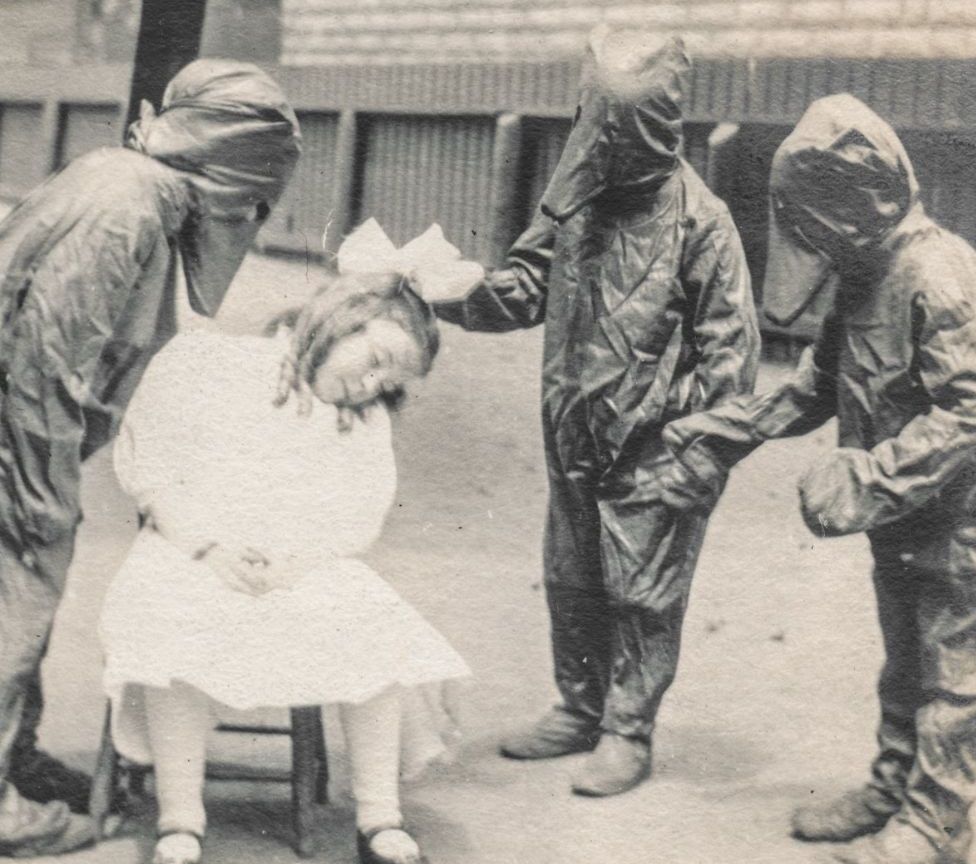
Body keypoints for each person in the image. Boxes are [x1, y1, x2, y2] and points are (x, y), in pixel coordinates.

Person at [280, 27, 760, 798]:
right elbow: (525, 289)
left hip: (655, 447)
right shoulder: (577, 198)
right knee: (572, 575)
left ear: (658, 127)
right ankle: (580, 704)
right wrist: (454, 289)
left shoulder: (700, 223)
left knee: (643, 590)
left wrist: (694, 453)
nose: (604, 147)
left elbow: (731, 360)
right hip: (572, 429)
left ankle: (628, 727)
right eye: (597, 128)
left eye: (621, 132)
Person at [659, 94, 976, 864]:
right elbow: (817, 382)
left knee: (962, 658)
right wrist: (723, 432)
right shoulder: (863, 271)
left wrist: (870, 475)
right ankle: (893, 787)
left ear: (848, 200)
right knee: (907, 648)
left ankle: (935, 824)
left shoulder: (934, 271)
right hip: (912, 487)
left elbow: (968, 409)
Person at [0, 59, 300, 858]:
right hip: (17, 435)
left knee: (22, 600)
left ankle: (15, 755)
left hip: (21, 433)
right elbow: (46, 362)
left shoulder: (134, 185)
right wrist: (40, 492)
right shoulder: (126, 207)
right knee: (14, 597)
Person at [101, 271, 469, 864]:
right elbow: (153, 468)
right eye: (375, 360)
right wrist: (208, 547)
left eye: (390, 382)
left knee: (370, 618)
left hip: (297, 560)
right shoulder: (208, 362)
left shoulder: (359, 419)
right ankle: (180, 824)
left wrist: (299, 559)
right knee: (170, 613)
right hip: (192, 547)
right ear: (339, 320)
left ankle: (381, 820)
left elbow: (359, 515)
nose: (372, 385)